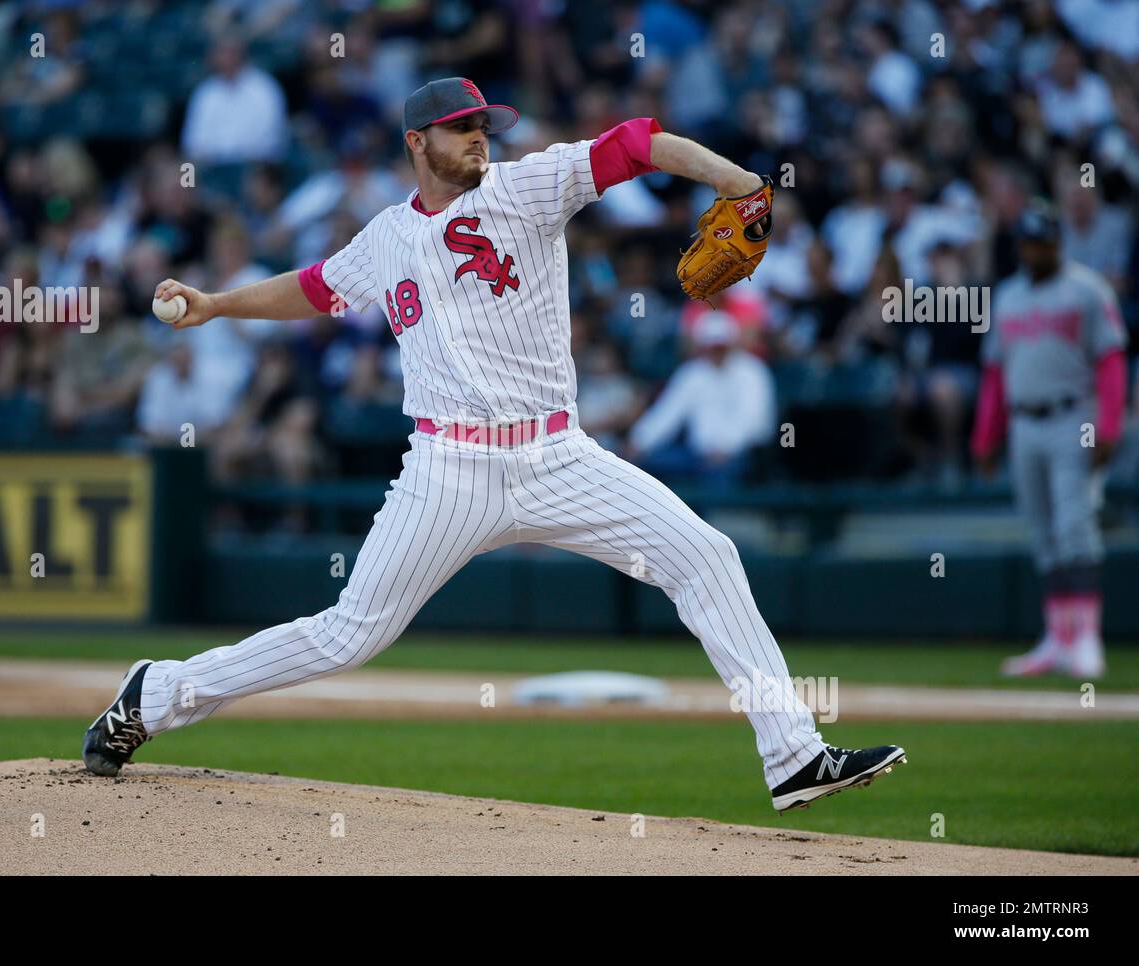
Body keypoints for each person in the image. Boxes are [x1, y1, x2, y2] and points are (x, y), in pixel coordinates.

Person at [83, 77, 906, 813]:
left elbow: (638, 142)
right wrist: (217, 303)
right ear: (417, 143)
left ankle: (795, 756)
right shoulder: (386, 237)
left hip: (559, 458)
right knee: (349, 634)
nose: (479, 137)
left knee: (707, 557)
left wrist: (738, 183)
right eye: (460, 127)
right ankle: (157, 694)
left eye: (484, 125)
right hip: (448, 470)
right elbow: (313, 289)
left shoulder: (527, 186)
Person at [972, 200, 1129, 678]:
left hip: (1071, 415)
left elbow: (1111, 361)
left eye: (1045, 241)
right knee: (1044, 531)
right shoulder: (1010, 295)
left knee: (1075, 526)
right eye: (1031, 242)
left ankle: (1086, 637)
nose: (1038, 250)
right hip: (1024, 422)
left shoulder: (1087, 289)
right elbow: (997, 373)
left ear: (1059, 242)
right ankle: (1057, 638)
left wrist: (1108, 426)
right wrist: (986, 435)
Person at [627, 312, 775, 486]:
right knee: (643, 465)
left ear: (732, 343)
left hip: (741, 453)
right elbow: (668, 412)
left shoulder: (752, 371)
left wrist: (725, 448)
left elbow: (752, 417)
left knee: (718, 473)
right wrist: (639, 441)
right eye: (712, 346)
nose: (717, 351)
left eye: (722, 346)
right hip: (695, 455)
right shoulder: (693, 372)